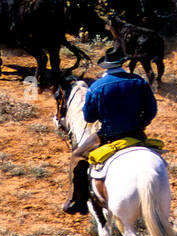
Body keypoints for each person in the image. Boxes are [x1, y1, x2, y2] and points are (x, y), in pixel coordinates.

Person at [61, 47, 158, 215]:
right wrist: (141, 123)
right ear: (122, 64)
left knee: (77, 157)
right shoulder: (139, 81)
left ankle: (77, 200)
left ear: (105, 66)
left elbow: (89, 117)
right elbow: (151, 110)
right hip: (136, 133)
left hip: (107, 136)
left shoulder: (96, 87)